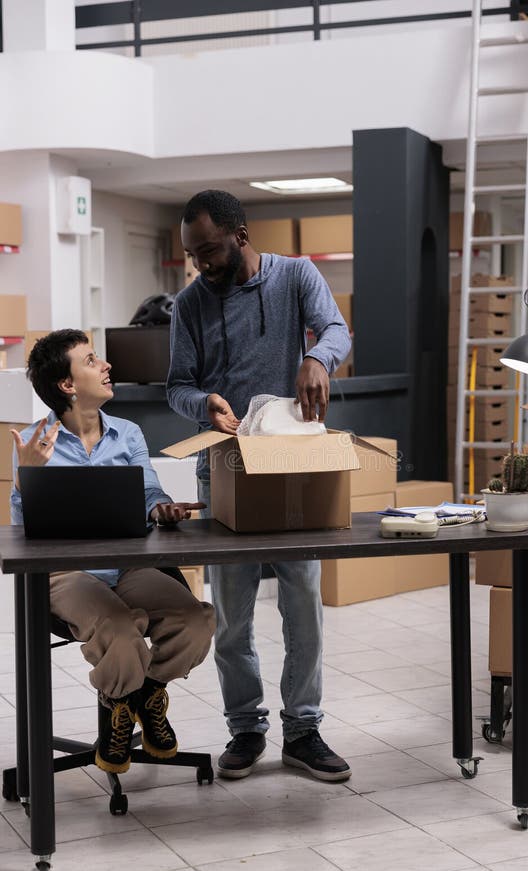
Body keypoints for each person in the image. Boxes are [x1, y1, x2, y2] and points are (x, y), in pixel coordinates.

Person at [167, 189, 353, 782]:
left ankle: (303, 730)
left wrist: (319, 359)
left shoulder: (296, 277)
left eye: (210, 250)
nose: (202, 264)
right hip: (224, 469)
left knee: (303, 606)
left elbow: (336, 329)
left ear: (241, 235)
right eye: (193, 255)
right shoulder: (190, 305)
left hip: (292, 466)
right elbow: (177, 386)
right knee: (233, 615)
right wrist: (203, 402)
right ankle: (245, 728)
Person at [10, 330, 216, 775]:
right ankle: (124, 698)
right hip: (66, 574)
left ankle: (137, 696)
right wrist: (28, 479)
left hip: (129, 566)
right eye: (91, 360)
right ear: (67, 385)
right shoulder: (33, 443)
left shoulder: (128, 434)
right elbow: (21, 532)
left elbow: (147, 491)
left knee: (197, 620)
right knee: (120, 631)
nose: (105, 366)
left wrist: (161, 507)